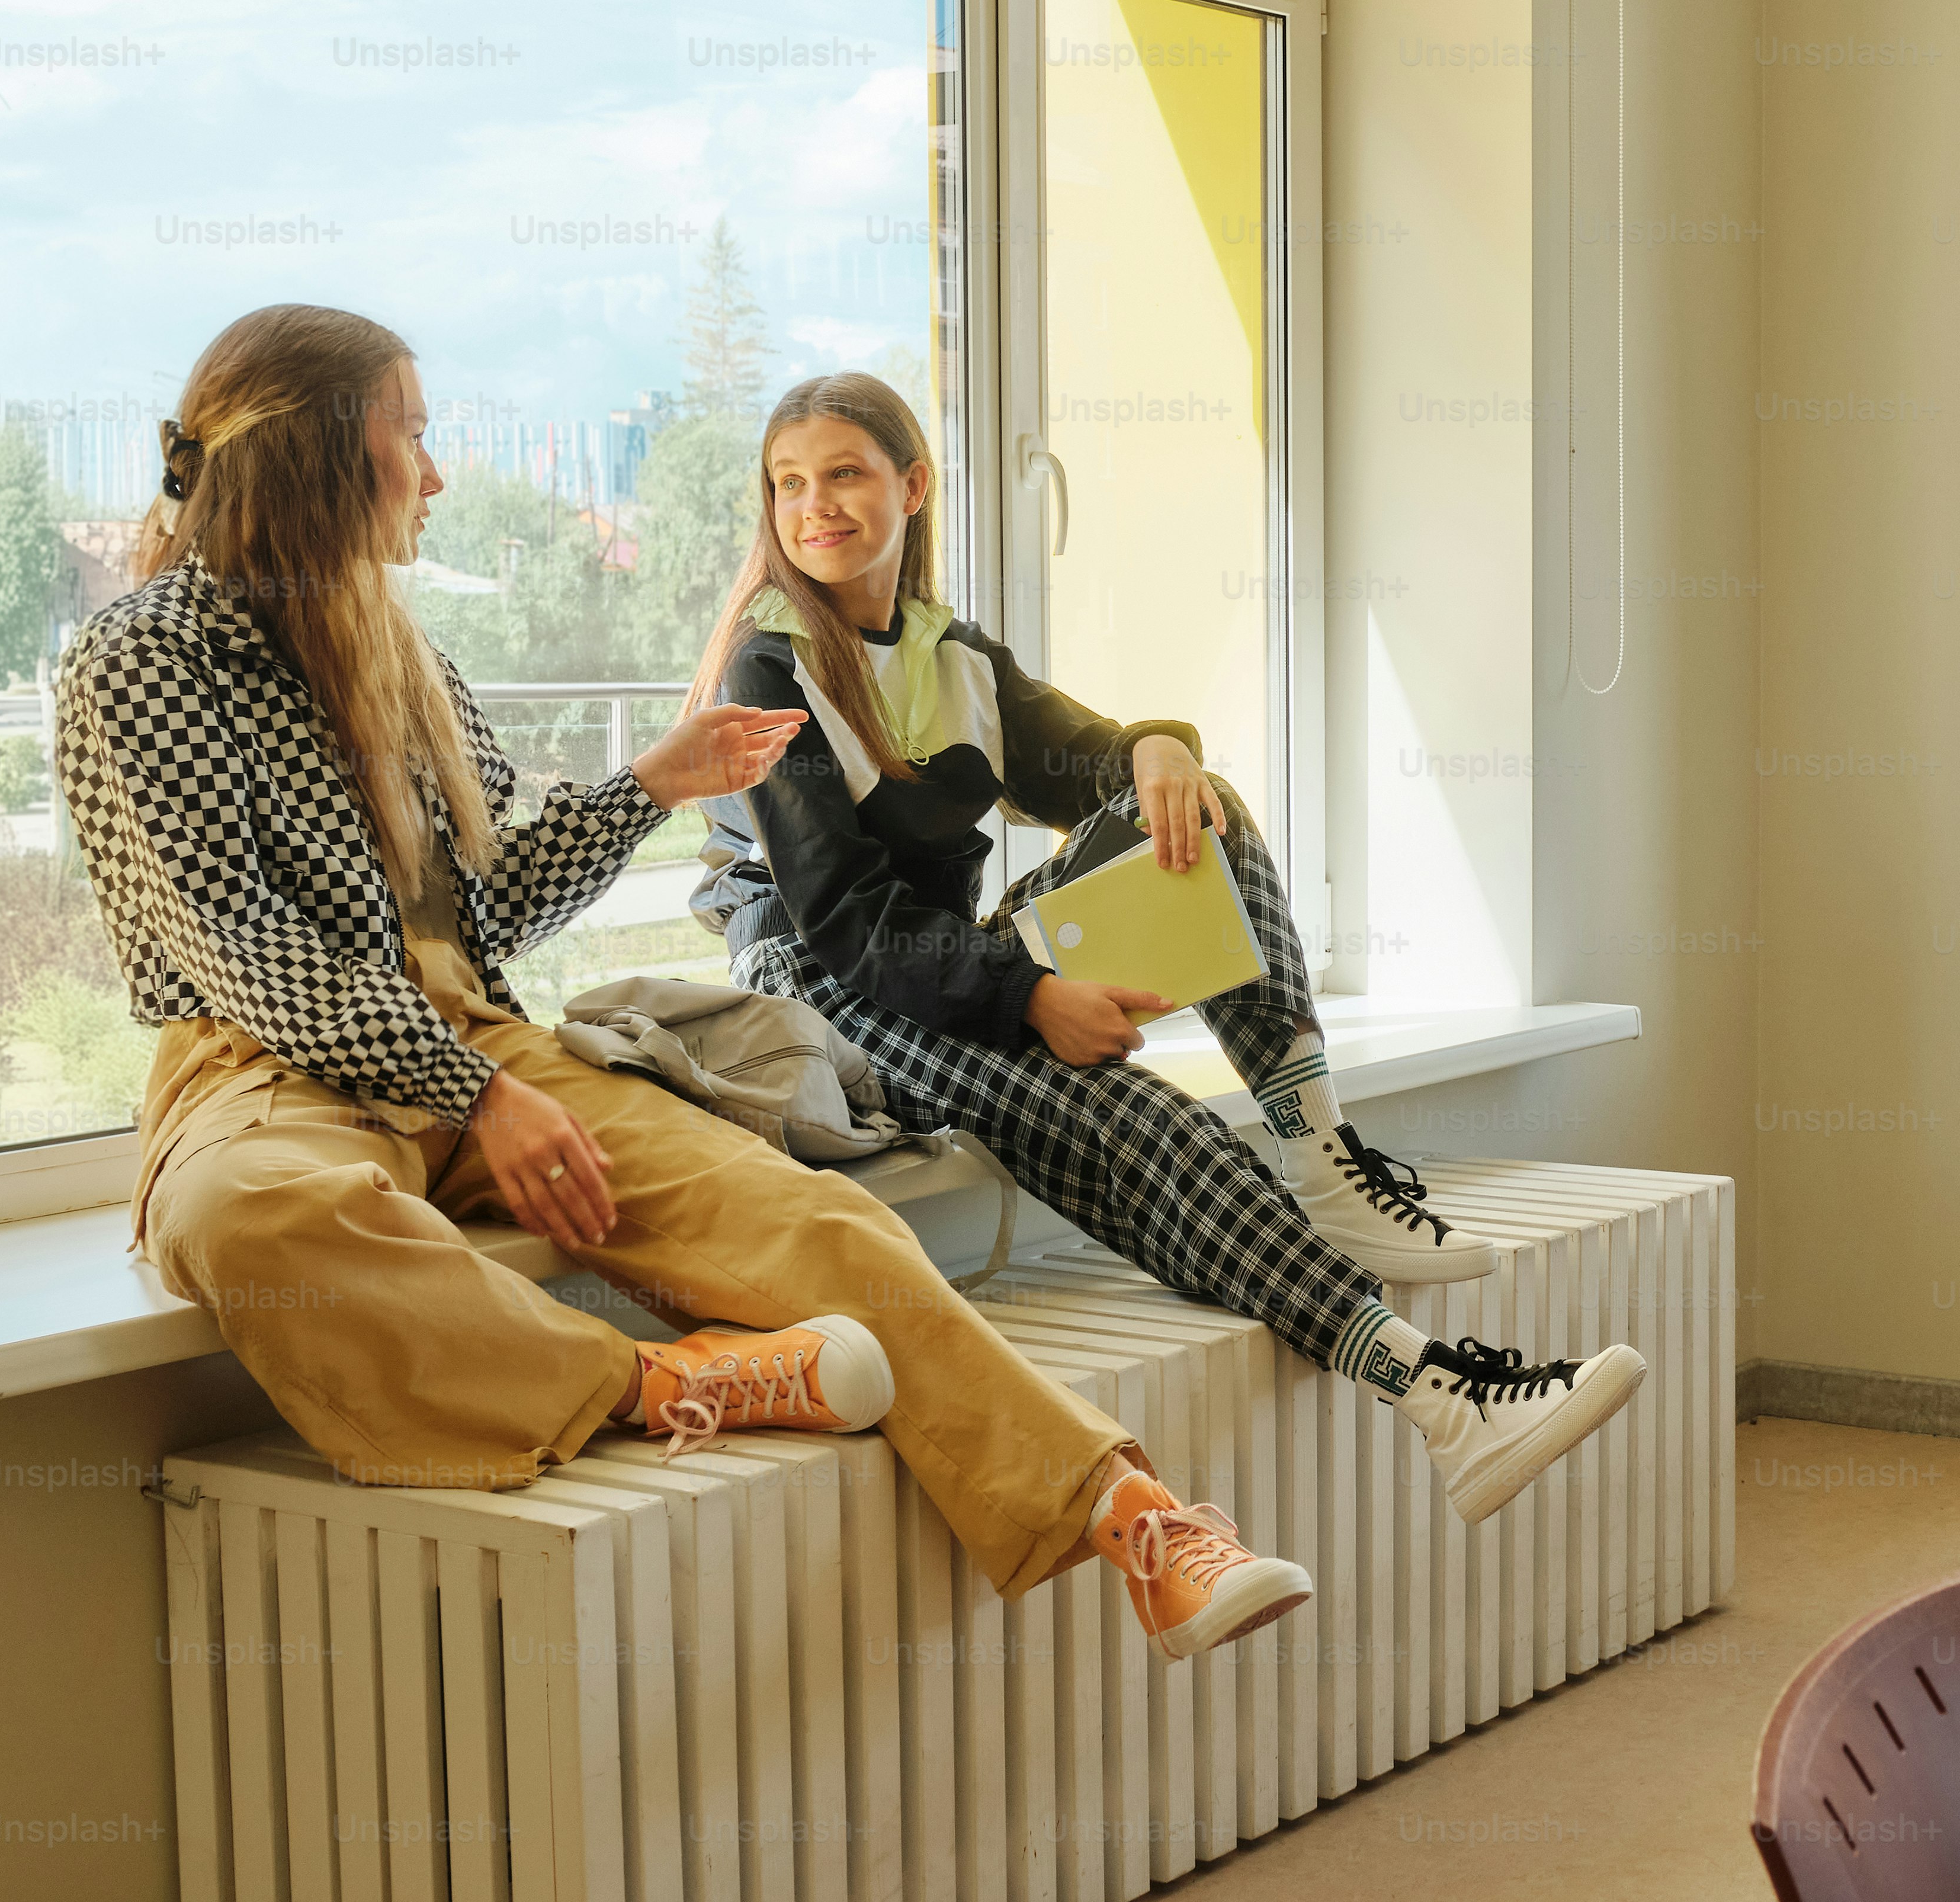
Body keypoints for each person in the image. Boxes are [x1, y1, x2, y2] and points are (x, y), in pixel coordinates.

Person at [62, 304, 1308, 1662]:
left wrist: (660, 778)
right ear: (312, 458)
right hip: (261, 1064)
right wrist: (473, 1094)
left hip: (468, 1035)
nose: (434, 472)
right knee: (249, 1221)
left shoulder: (398, 649)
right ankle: (661, 1380)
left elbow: (491, 901)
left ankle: (1134, 1517)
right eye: (410, 437)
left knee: (819, 1225)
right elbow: (248, 955)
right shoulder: (141, 657)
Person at [687, 373, 1644, 1526]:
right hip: (830, 987)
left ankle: (1321, 1154)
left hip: (938, 960)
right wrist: (1031, 994)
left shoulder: (952, 656)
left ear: (913, 484)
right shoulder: (769, 664)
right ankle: (1445, 1396)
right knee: (1148, 1115)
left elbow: (1079, 755)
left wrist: (1156, 751)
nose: (813, 505)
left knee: (1197, 802)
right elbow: (844, 923)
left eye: (842, 472)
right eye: (789, 482)